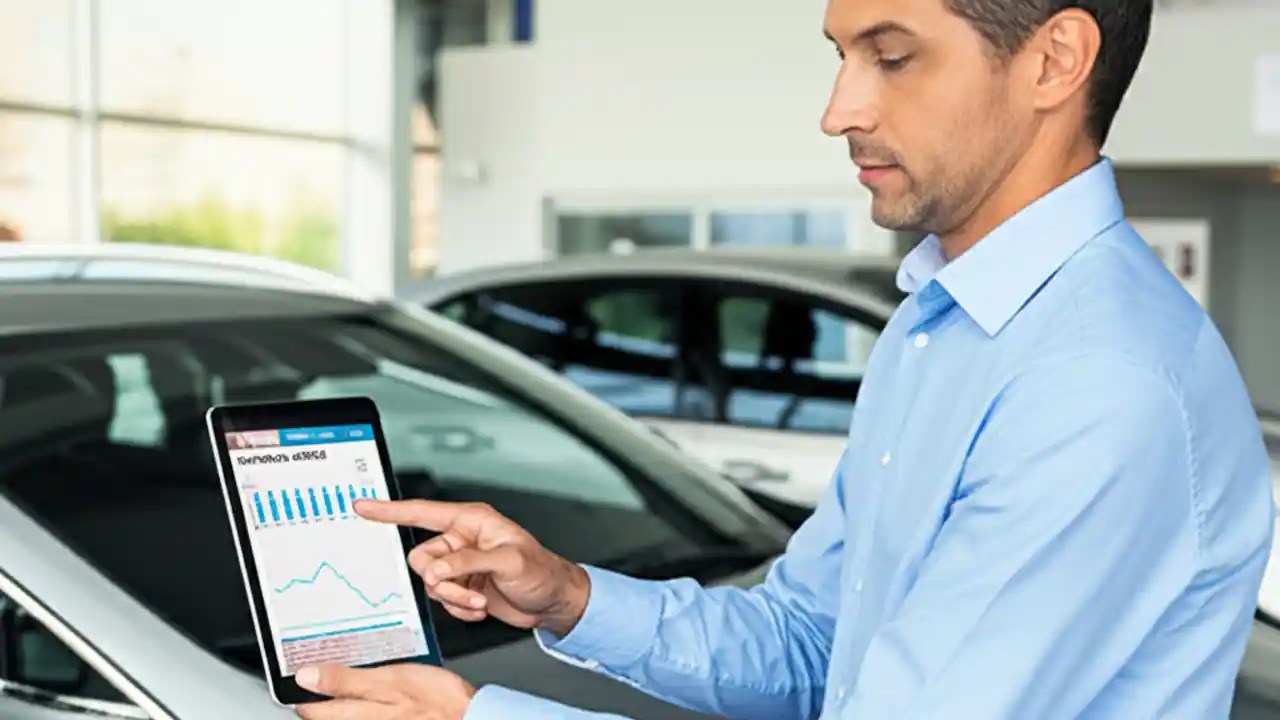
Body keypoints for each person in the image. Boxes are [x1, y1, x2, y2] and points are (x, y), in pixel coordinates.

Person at [294, 0, 1276, 717]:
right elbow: (813, 649)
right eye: (840, 55)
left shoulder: (1096, 383)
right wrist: (571, 595)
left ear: (1053, 61)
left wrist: (472, 719)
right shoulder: (941, 327)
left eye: (890, 58)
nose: (838, 109)